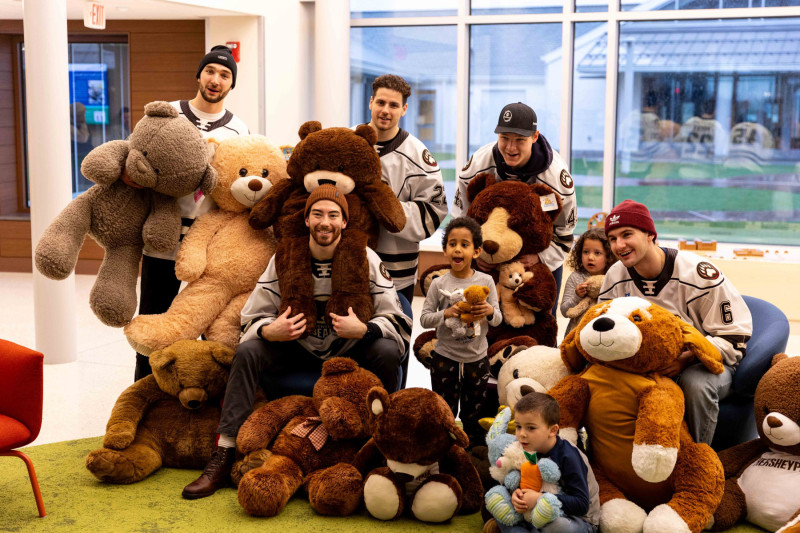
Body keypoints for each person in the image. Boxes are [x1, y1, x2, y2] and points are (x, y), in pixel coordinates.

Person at [181, 185, 411, 500]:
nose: (325, 222)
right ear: (306, 220)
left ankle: (384, 447)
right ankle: (225, 452)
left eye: (333, 215)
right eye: (317, 214)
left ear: (344, 222)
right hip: (295, 349)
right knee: (249, 349)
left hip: (347, 355)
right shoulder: (285, 257)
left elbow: (399, 320)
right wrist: (269, 330)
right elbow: (251, 317)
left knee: (385, 349)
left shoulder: (365, 257)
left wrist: (365, 329)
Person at [134, 45, 250, 381]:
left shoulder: (239, 130)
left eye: (225, 75)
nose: (216, 80)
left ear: (231, 84)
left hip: (209, 244)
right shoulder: (168, 113)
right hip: (163, 236)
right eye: (210, 71)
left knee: (204, 323)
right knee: (154, 322)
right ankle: (144, 393)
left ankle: (197, 397)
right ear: (199, 75)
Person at [598, 199, 752, 445]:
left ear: (650, 234)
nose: (619, 245)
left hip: (703, 364)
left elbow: (734, 337)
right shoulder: (615, 275)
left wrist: (687, 358)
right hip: (646, 363)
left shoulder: (698, 274)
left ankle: (698, 457)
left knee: (695, 384)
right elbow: (604, 328)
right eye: (613, 238)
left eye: (627, 234)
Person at [452, 102, 577, 316]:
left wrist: (541, 257)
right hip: (488, 253)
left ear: (535, 136)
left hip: (536, 256)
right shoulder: (478, 164)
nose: (511, 148)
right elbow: (461, 219)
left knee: (541, 318)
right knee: (481, 318)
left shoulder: (556, 178)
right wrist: (474, 252)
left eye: (520, 140)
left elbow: (564, 232)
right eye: (505, 138)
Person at [362, 74, 448, 316]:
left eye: (393, 105)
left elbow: (435, 212)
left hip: (395, 274)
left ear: (404, 108)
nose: (385, 110)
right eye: (380, 103)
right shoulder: (348, 142)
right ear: (370, 102)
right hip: (346, 266)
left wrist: (386, 208)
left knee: (394, 341)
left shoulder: (418, 157)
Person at [419, 216, 501, 446]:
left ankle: (472, 451)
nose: (458, 249)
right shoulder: (439, 284)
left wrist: (488, 310)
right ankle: (443, 449)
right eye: (452, 244)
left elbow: (497, 320)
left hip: (477, 360)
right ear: (445, 250)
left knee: (473, 414)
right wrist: (446, 314)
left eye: (464, 244)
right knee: (443, 412)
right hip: (445, 359)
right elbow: (425, 319)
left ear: (476, 252)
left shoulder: (486, 281)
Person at [484, 392, 600, 533]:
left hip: (577, 519)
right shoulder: (524, 447)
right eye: (518, 426)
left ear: (552, 430)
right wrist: (515, 495)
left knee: (557, 527)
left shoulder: (569, 456)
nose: (521, 434)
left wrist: (540, 498)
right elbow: (519, 480)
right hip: (535, 514)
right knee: (498, 504)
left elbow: (581, 505)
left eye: (531, 428)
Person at [560, 227, 616, 335]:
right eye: (586, 252)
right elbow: (564, 311)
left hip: (604, 334)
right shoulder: (576, 277)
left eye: (597, 253)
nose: (590, 257)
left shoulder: (613, 277)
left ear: (609, 256)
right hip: (576, 333)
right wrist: (577, 296)